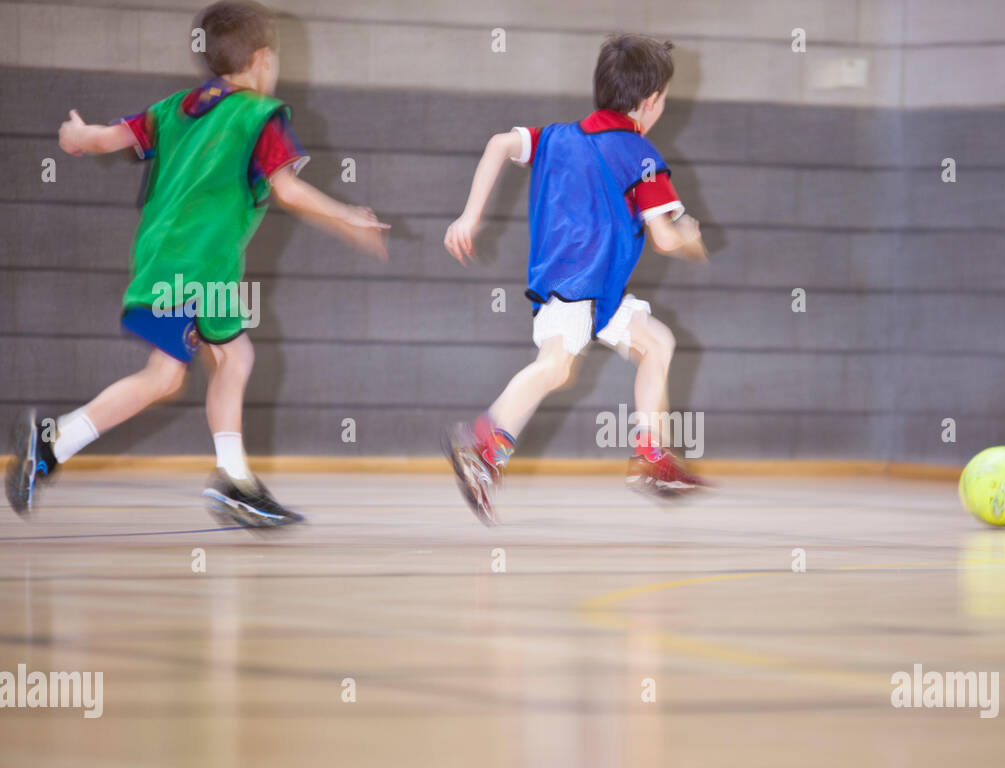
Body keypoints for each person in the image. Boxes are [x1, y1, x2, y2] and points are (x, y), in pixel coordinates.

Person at [5, 0, 388, 528]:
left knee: (234, 358)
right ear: (261, 60)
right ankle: (54, 441)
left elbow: (104, 138)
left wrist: (76, 137)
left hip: (169, 257)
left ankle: (233, 479)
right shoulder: (259, 115)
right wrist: (348, 215)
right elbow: (289, 190)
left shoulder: (175, 107)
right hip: (197, 265)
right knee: (165, 377)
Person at [441, 33, 708, 525]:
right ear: (649, 102)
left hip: (592, 291)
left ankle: (651, 455)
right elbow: (667, 240)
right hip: (578, 285)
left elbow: (500, 143)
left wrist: (470, 215)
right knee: (557, 366)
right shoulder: (641, 156)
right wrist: (691, 235)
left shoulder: (557, 137)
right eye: (664, 98)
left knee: (656, 342)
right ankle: (482, 443)